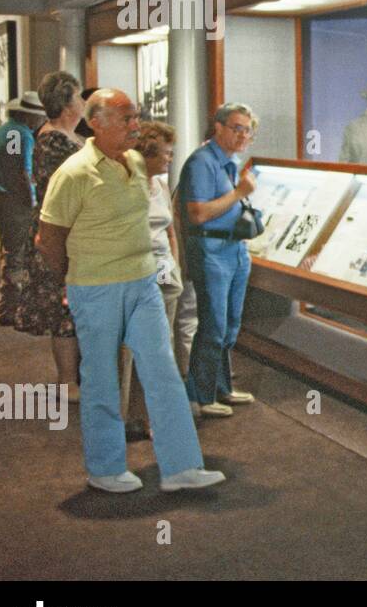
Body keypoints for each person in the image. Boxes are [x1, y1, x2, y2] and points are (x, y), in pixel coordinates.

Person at [36, 88, 224, 493]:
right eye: (126, 119)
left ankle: (181, 467)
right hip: (95, 287)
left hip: (143, 284)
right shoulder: (73, 173)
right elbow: (48, 240)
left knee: (163, 371)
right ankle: (105, 469)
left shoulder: (137, 163)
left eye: (136, 117)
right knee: (101, 377)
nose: (135, 126)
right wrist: (73, 279)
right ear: (96, 123)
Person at [178, 102, 259, 417]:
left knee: (230, 324)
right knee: (212, 325)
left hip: (234, 250)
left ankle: (221, 388)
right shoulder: (202, 162)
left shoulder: (230, 161)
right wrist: (239, 193)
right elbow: (197, 214)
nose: (242, 135)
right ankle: (201, 395)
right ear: (219, 128)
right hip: (211, 250)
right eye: (236, 128)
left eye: (247, 130)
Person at [15, 74, 84, 398]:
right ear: (68, 103)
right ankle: (67, 380)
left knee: (71, 306)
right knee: (64, 309)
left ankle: (73, 377)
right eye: (79, 97)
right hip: (59, 235)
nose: (83, 103)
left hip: (67, 232)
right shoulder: (55, 140)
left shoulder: (62, 136)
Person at [116, 120, 184, 441]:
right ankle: (116, 421)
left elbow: (170, 229)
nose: (170, 159)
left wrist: (175, 268)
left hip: (163, 276)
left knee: (158, 351)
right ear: (147, 154)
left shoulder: (160, 184)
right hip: (133, 277)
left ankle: (147, 418)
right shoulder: (126, 185)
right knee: (126, 353)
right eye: (166, 153)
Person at [0, 91, 44, 325]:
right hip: (16, 204)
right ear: (29, 116)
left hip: (1, 199)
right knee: (17, 256)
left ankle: (8, 307)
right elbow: (23, 170)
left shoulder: (3, 131)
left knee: (10, 253)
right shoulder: (21, 135)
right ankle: (11, 311)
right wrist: (33, 200)